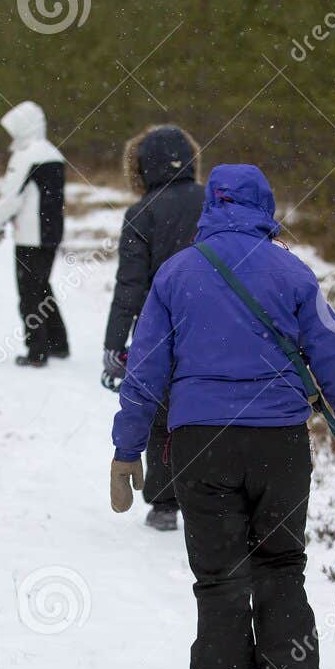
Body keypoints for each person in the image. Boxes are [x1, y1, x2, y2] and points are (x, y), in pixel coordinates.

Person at [109, 164, 335, 669]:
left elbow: (145, 369)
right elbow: (332, 350)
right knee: (281, 563)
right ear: (265, 205)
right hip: (277, 441)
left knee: (219, 582)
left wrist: (128, 448)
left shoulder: (175, 274)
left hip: (201, 442)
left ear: (211, 208)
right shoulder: (292, 271)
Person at [102, 124, 207, 532]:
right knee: (210, 407)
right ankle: (210, 493)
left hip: (158, 329)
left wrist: (115, 344)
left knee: (161, 415)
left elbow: (130, 284)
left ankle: (165, 504)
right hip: (214, 325)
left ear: (141, 168)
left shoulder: (140, 213)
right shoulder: (212, 203)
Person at [0, 101, 68, 367]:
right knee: (42, 286)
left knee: (30, 293)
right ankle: (58, 342)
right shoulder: (53, 154)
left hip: (30, 236)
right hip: (52, 233)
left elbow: (11, 197)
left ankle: (37, 351)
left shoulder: (26, 156)